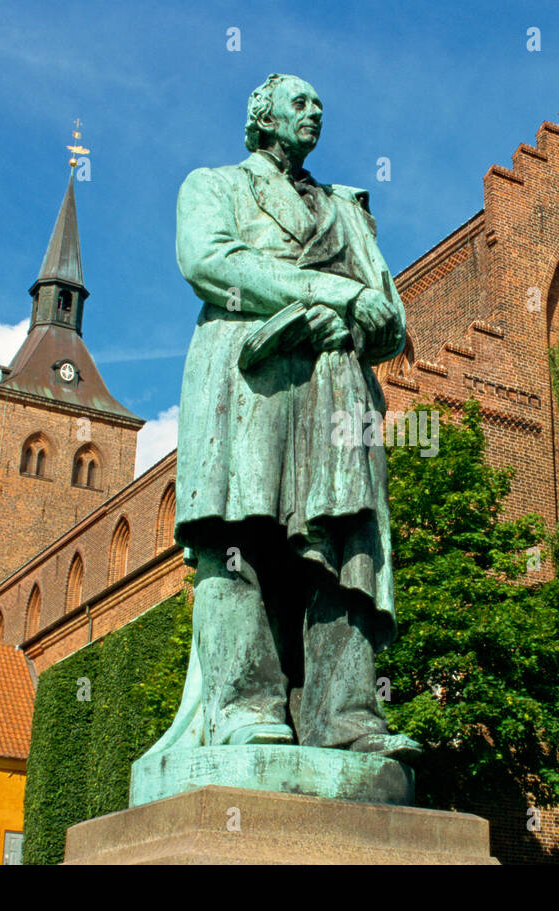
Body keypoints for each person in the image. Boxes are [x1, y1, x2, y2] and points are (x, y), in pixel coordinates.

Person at [159, 73, 420, 762]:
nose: (314, 114)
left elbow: (390, 319)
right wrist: (330, 292)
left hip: (336, 387)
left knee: (341, 550)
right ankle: (245, 708)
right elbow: (211, 262)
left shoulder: (345, 208)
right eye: (300, 103)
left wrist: (360, 324)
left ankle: (347, 716)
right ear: (262, 115)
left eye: (320, 107)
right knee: (237, 534)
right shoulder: (213, 185)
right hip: (250, 381)